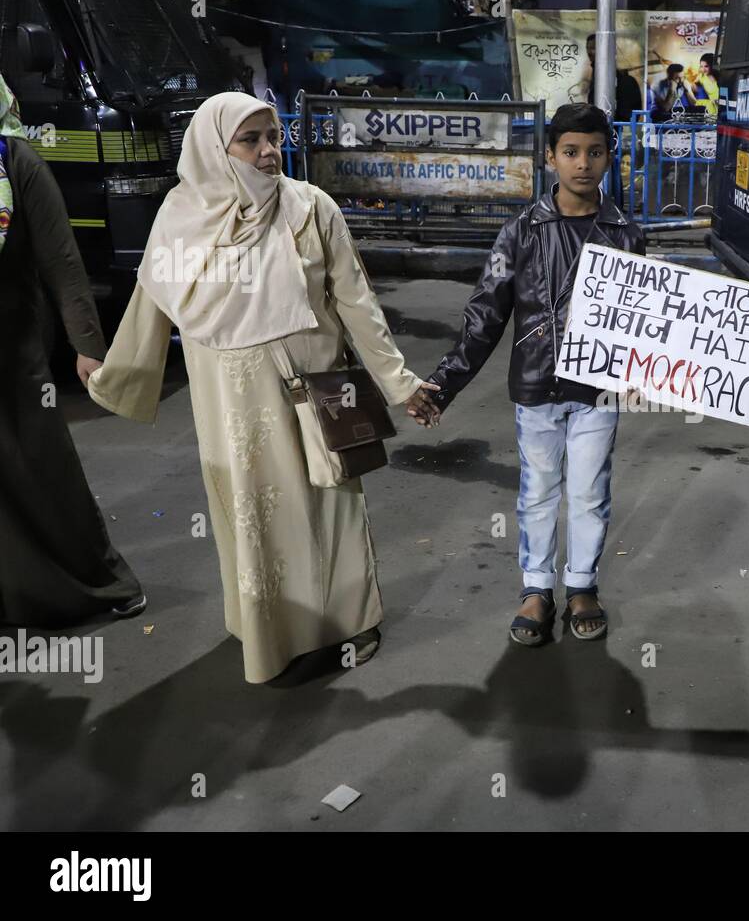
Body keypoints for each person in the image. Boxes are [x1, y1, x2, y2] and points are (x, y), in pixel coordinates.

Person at [87, 92, 438, 682]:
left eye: (274, 137)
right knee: (253, 520)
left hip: (316, 395)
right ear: (213, 149)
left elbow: (357, 304)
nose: (269, 152)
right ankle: (271, 634)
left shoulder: (309, 209)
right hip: (231, 411)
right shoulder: (180, 218)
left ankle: (349, 626)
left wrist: (400, 384)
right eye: (251, 141)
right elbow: (150, 309)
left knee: (327, 509)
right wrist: (114, 377)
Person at [415, 103, 645, 646]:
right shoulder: (519, 233)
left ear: (610, 157)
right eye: (570, 152)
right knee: (539, 490)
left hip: (600, 390)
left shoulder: (627, 235)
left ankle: (582, 585)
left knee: (590, 491)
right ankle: (537, 589)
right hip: (536, 387)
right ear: (549, 157)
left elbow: (652, 324)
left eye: (594, 152)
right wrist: (443, 383)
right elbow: (484, 317)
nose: (582, 164)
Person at [0, 74, 147, 627]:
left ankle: (101, 584)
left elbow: (61, 261)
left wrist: (88, 347)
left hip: (12, 346)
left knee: (38, 466)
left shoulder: (17, 162)